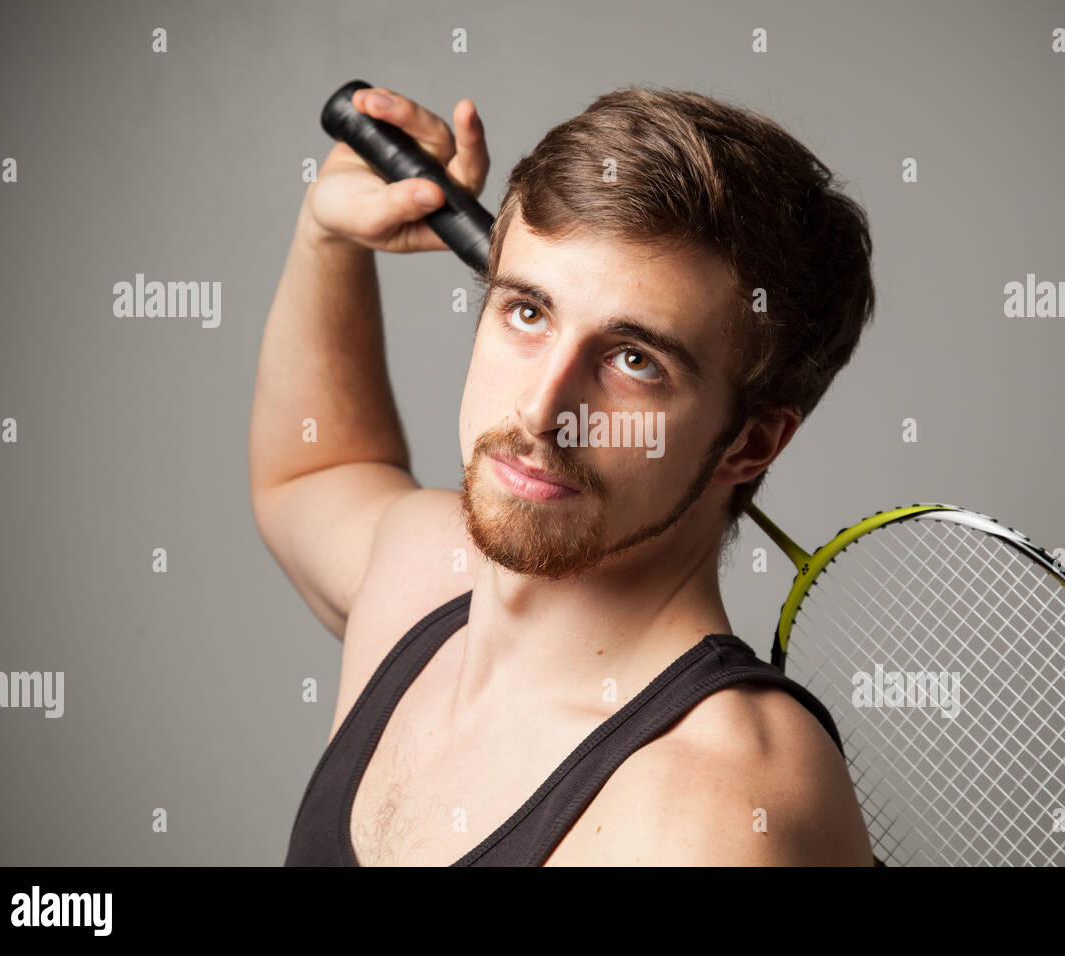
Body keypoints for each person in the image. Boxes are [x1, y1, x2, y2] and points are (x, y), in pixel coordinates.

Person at [252, 84, 878, 866]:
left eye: (633, 360)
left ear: (748, 445)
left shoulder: (709, 814)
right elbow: (316, 469)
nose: (543, 411)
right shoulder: (423, 575)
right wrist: (328, 241)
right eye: (527, 313)